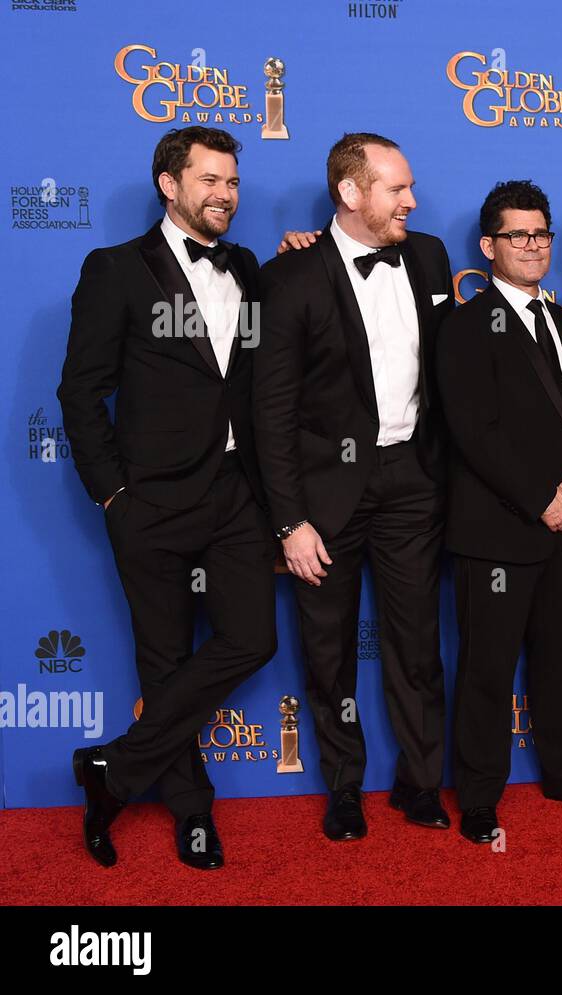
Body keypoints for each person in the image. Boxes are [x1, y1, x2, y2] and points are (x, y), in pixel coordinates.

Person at [58, 126, 276, 869]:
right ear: (169, 184)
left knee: (254, 637)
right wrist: (114, 495)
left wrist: (312, 246)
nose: (225, 194)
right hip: (149, 501)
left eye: (234, 182)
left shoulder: (249, 267)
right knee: (164, 659)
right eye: (209, 179)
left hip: (234, 496)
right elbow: (81, 392)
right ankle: (192, 812)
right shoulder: (116, 270)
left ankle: (112, 770)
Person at [254, 133, 454, 841]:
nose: (412, 200)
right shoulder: (291, 279)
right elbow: (270, 412)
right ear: (350, 193)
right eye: (397, 189)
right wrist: (289, 522)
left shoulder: (428, 255)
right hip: (325, 493)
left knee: (417, 641)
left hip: (412, 482)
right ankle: (343, 788)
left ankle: (420, 782)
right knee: (328, 649)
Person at [438, 180, 562, 844]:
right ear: (489, 246)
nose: (533, 245)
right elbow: (473, 430)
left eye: (541, 233)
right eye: (518, 235)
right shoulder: (463, 325)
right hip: (496, 529)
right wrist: (539, 497)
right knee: (487, 670)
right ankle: (481, 796)